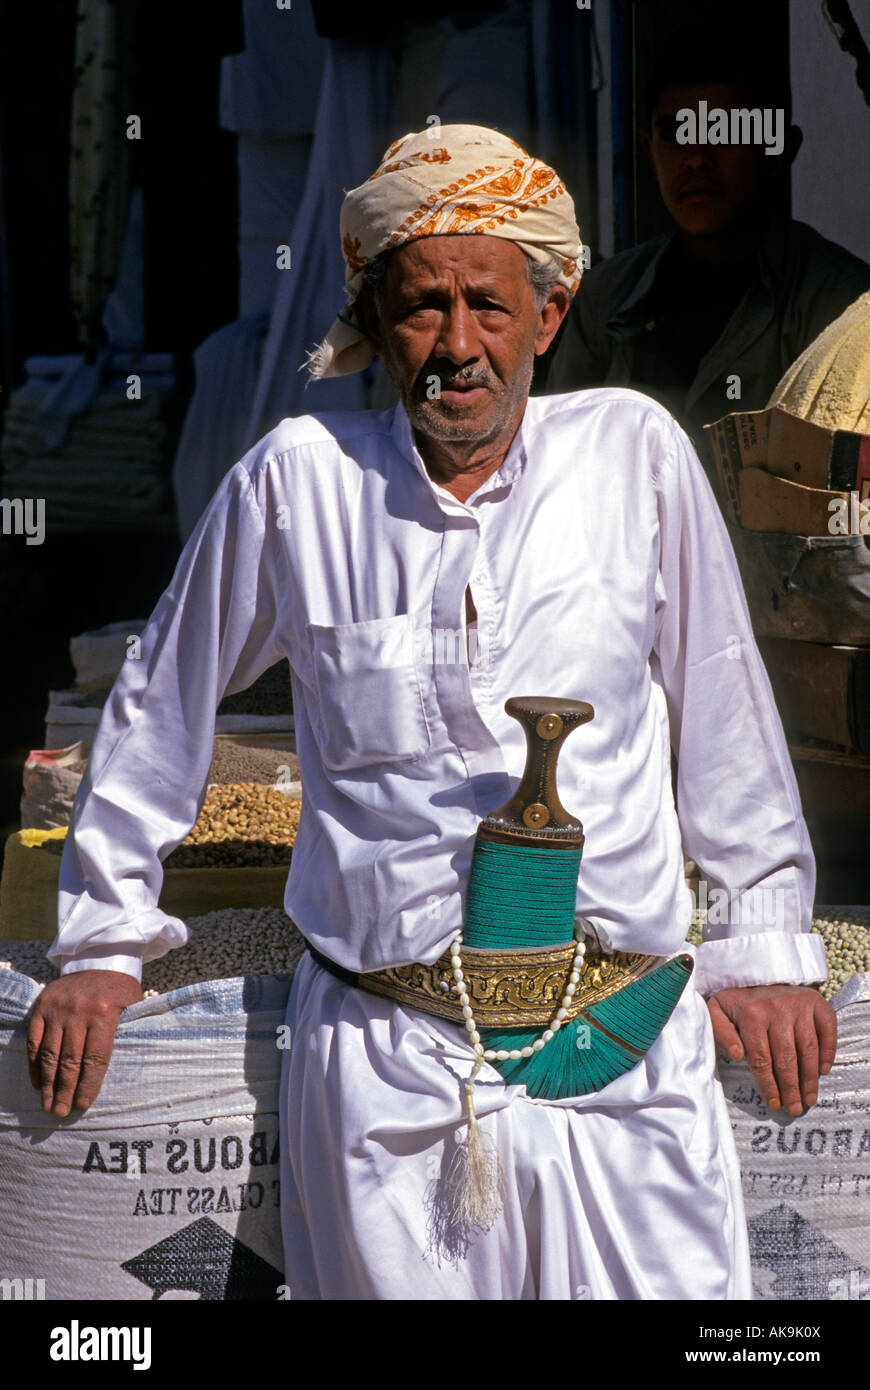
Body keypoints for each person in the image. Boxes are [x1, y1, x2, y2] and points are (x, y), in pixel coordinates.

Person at [29, 125, 835, 1301]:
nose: (458, 347)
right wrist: (103, 942)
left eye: (490, 307)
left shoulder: (633, 457)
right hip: (387, 1069)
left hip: (619, 1055)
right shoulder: (300, 480)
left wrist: (765, 944)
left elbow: (725, 701)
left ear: (550, 315)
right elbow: (160, 704)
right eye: (421, 308)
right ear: (370, 316)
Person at [545, 42, 870, 460]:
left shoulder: (841, 305)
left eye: (726, 131)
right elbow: (560, 458)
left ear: (780, 148)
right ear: (648, 149)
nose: (697, 158)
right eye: (676, 133)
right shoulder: (607, 297)